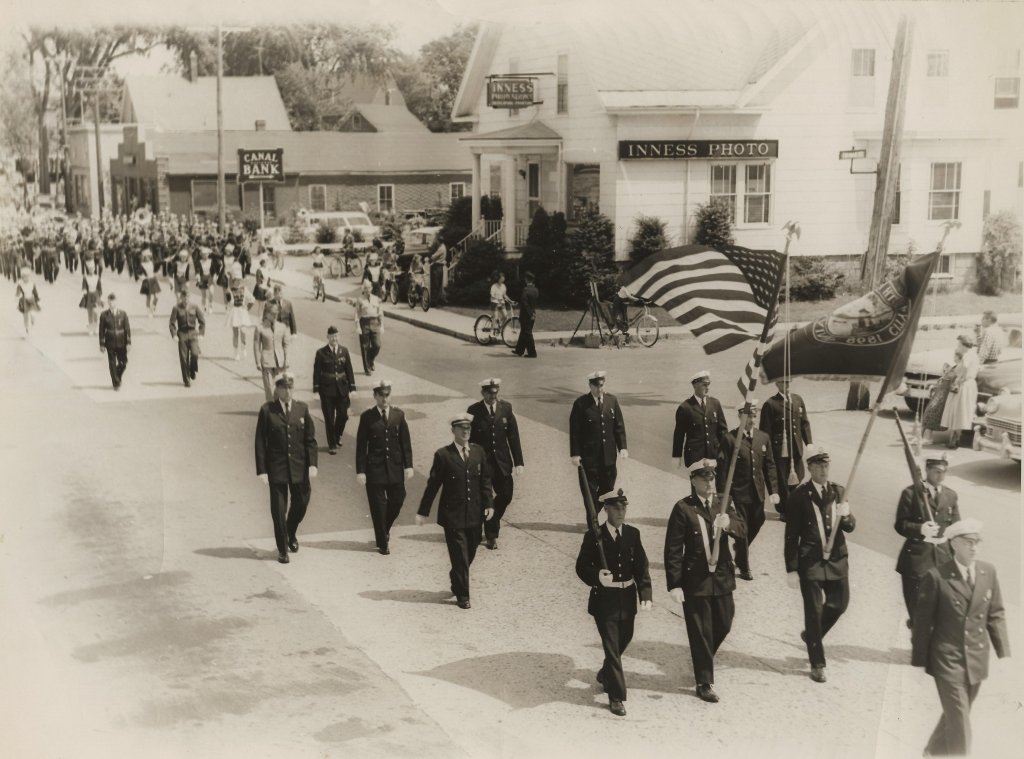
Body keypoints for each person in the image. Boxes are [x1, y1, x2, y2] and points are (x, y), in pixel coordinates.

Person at [912, 518, 1010, 757]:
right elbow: (922, 622)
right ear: (954, 544)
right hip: (947, 659)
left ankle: (932, 751)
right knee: (960, 721)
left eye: (977, 542)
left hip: (976, 658)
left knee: (957, 713)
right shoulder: (937, 577)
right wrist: (920, 659)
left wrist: (1004, 653)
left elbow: (995, 614)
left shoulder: (988, 572)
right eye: (968, 542)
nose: (974, 547)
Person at [664, 459, 746, 703]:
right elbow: (673, 548)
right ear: (693, 481)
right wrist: (674, 583)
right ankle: (704, 681)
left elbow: (743, 529)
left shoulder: (724, 503)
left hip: (721, 577)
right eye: (704, 478)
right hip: (695, 579)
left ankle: (702, 660)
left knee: (724, 622)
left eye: (712, 477)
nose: (710, 482)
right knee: (701, 631)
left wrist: (729, 523)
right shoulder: (683, 508)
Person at [575, 489, 653, 717]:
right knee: (612, 647)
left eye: (624, 507)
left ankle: (605, 672)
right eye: (616, 508)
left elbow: (641, 567)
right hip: (604, 602)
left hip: (627, 599)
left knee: (624, 640)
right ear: (606, 509)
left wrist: (645, 595)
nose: (621, 512)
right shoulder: (594, 536)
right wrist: (597, 575)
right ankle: (616, 696)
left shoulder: (633, 534)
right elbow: (581, 567)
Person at [784, 444, 854, 683]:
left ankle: (811, 635)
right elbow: (791, 535)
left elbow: (851, 527)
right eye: (819, 466)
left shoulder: (839, 491)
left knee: (839, 604)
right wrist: (791, 568)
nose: (824, 471)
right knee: (813, 612)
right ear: (810, 468)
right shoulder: (799, 496)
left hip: (836, 559)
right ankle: (817, 663)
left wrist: (846, 514)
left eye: (827, 466)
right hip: (811, 562)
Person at [416, 413, 494, 609]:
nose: (466, 431)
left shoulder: (478, 452)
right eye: (461, 428)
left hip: (475, 513)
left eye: (468, 428)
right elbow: (433, 485)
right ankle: (463, 595)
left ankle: (456, 576)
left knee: (472, 549)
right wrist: (423, 511)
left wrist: (489, 504)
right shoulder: (443, 455)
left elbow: (485, 480)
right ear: (453, 431)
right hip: (453, 516)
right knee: (460, 555)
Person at [255, 372, 318, 564]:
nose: (288, 391)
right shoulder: (268, 411)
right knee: (278, 510)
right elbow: (260, 441)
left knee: (301, 504)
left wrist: (313, 464)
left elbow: (310, 440)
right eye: (284, 388)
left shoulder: (302, 409)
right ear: (278, 390)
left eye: (291, 387)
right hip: (277, 469)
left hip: (299, 468)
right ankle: (283, 549)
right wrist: (262, 470)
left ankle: (290, 532)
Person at [894, 453, 960, 629]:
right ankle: (919, 642)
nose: (940, 476)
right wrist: (920, 529)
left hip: (943, 560)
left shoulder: (951, 496)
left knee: (940, 609)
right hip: (917, 560)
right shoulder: (911, 493)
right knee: (917, 610)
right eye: (937, 471)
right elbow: (900, 525)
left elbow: (956, 527)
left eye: (944, 472)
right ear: (927, 470)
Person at [716, 400, 779, 580]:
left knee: (758, 520)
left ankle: (739, 547)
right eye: (747, 416)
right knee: (742, 528)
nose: (751, 420)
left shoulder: (763, 438)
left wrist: (773, 490)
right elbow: (723, 470)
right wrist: (723, 496)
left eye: (753, 416)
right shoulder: (730, 439)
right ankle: (744, 567)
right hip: (739, 492)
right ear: (740, 417)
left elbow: (770, 466)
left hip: (757, 491)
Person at [355, 380, 414, 554]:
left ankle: (384, 529)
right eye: (380, 395)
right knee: (378, 507)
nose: (384, 399)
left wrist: (408, 465)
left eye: (387, 395)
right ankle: (382, 543)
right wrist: (361, 470)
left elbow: (405, 443)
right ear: (375, 396)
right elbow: (361, 446)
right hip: (375, 470)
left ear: (390, 395)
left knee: (398, 499)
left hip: (394, 468)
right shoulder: (367, 417)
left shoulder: (398, 415)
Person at [467, 378, 524, 549]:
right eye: (490, 393)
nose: (493, 396)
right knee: (486, 499)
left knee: (506, 495)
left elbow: (513, 436)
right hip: (482, 465)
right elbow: (467, 439)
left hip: (502, 462)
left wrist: (519, 462)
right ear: (483, 393)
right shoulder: (474, 411)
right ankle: (491, 535)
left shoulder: (505, 408)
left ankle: (490, 521)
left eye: (495, 393)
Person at [570, 370, 628, 509]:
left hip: (608, 457)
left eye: (602, 385)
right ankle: (593, 525)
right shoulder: (581, 404)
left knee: (607, 490)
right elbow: (575, 432)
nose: (599, 389)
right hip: (589, 457)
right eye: (596, 386)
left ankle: (594, 513)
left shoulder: (612, 401)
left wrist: (623, 447)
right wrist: (575, 453)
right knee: (589, 492)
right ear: (590, 386)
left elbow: (618, 426)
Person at [759, 380, 813, 519]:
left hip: (796, 448)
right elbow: (765, 432)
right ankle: (786, 511)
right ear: (777, 384)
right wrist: (767, 452)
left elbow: (804, 423)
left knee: (798, 476)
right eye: (783, 383)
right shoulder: (770, 404)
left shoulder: (797, 399)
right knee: (782, 481)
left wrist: (809, 442)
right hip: (780, 451)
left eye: (788, 382)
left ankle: (793, 505)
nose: (787, 385)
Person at [672, 370, 728, 468]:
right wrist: (677, 457)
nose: (707, 388)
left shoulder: (715, 404)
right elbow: (679, 435)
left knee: (714, 483)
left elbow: (722, 431)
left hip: (713, 455)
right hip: (695, 457)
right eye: (704, 385)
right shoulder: (685, 407)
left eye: (708, 384)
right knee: (699, 482)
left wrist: (725, 450)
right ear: (695, 385)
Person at [313, 325, 356, 455]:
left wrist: (352, 388)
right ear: (327, 337)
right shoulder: (321, 353)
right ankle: (332, 444)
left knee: (343, 415)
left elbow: (349, 369)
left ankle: (337, 435)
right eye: (332, 337)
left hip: (342, 389)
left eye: (336, 336)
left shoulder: (344, 351)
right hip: (326, 390)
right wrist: (316, 389)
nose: (334, 339)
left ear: (339, 336)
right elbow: (316, 372)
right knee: (329, 418)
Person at [940, 334, 979, 449]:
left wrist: (959, 380)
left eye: (959, 344)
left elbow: (965, 369)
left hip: (964, 384)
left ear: (963, 345)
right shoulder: (974, 355)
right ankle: (957, 438)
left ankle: (954, 439)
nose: (958, 346)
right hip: (971, 384)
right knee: (963, 411)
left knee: (957, 411)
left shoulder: (967, 356)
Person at [168, 287, 206, 388]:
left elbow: (202, 321)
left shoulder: (195, 307)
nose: (186, 299)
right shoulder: (176, 308)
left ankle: (192, 369)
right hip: (182, 334)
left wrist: (201, 333)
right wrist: (174, 335)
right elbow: (171, 323)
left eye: (188, 297)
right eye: (184, 297)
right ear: (181, 297)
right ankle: (186, 379)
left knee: (195, 354)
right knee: (184, 358)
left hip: (193, 333)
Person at [254, 302, 291, 403]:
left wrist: (286, 359)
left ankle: (278, 406)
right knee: (269, 388)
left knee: (280, 387)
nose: (275, 315)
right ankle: (271, 408)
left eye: (276, 312)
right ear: (266, 313)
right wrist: (257, 361)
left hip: (280, 361)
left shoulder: (282, 327)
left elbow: (286, 345)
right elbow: (257, 345)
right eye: (272, 313)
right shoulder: (259, 327)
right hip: (266, 362)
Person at [98, 293, 131, 391]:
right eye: (110, 301)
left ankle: (116, 375)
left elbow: (127, 329)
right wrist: (102, 344)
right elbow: (101, 330)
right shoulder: (104, 315)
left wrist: (129, 342)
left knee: (123, 362)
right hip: (110, 342)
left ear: (116, 301)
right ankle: (116, 383)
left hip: (122, 341)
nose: (112, 303)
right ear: (108, 302)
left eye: (113, 301)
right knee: (112, 362)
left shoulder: (123, 314)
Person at [354, 281, 384, 375]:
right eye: (365, 288)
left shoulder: (376, 299)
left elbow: (381, 313)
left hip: (375, 322)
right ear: (363, 289)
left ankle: (370, 359)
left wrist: (382, 325)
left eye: (369, 288)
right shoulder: (360, 300)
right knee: (365, 346)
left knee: (377, 345)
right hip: (364, 323)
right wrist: (357, 326)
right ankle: (367, 369)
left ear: (371, 288)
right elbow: (356, 314)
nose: (367, 290)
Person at [226, 276, 255, 361]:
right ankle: (236, 352)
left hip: (242, 312)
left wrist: (247, 308)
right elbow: (229, 302)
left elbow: (252, 299)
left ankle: (243, 347)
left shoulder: (244, 289)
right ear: (233, 281)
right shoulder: (230, 290)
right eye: (236, 280)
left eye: (239, 280)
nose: (237, 282)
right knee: (235, 334)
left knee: (243, 331)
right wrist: (228, 294)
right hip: (234, 312)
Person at [512, 271, 538, 358]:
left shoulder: (525, 290)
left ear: (526, 280)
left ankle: (532, 353)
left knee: (527, 334)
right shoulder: (535, 290)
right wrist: (532, 313)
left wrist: (529, 314)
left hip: (526, 316)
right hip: (533, 314)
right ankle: (519, 350)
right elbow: (532, 303)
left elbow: (525, 303)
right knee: (524, 332)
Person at [79, 258, 103, 335]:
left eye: (93, 268)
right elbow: (84, 286)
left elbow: (99, 288)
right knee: (90, 313)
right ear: (88, 270)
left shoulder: (97, 277)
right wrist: (84, 291)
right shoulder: (85, 277)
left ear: (94, 269)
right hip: (89, 296)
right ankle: (90, 329)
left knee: (96, 312)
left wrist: (99, 296)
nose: (91, 270)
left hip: (96, 296)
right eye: (90, 269)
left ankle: (95, 328)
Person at [15, 266, 41, 335]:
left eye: (27, 277)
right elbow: (17, 293)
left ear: (29, 277)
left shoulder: (32, 283)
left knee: (32, 314)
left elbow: (35, 292)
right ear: (22, 277)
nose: (26, 278)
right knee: (25, 315)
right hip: (24, 300)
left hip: (31, 300)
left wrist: (37, 298)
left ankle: (33, 325)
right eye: (24, 277)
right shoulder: (20, 284)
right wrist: (17, 297)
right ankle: (26, 328)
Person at [138, 248, 161, 318]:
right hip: (147, 281)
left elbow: (157, 267)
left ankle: (152, 308)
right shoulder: (142, 264)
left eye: (148, 256)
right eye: (146, 256)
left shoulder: (152, 262)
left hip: (153, 280)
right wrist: (142, 277)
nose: (147, 258)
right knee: (148, 297)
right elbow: (138, 273)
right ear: (144, 257)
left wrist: (157, 273)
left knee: (157, 297)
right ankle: (149, 312)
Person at [196, 247, 216, 313]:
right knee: (203, 295)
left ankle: (210, 306)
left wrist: (215, 277)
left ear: (208, 254)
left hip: (210, 277)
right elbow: (198, 271)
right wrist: (198, 277)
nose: (205, 256)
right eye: (203, 254)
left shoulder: (211, 261)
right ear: (201, 255)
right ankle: (203, 307)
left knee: (211, 292)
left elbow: (214, 271)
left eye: (206, 254)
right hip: (202, 278)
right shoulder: (199, 262)